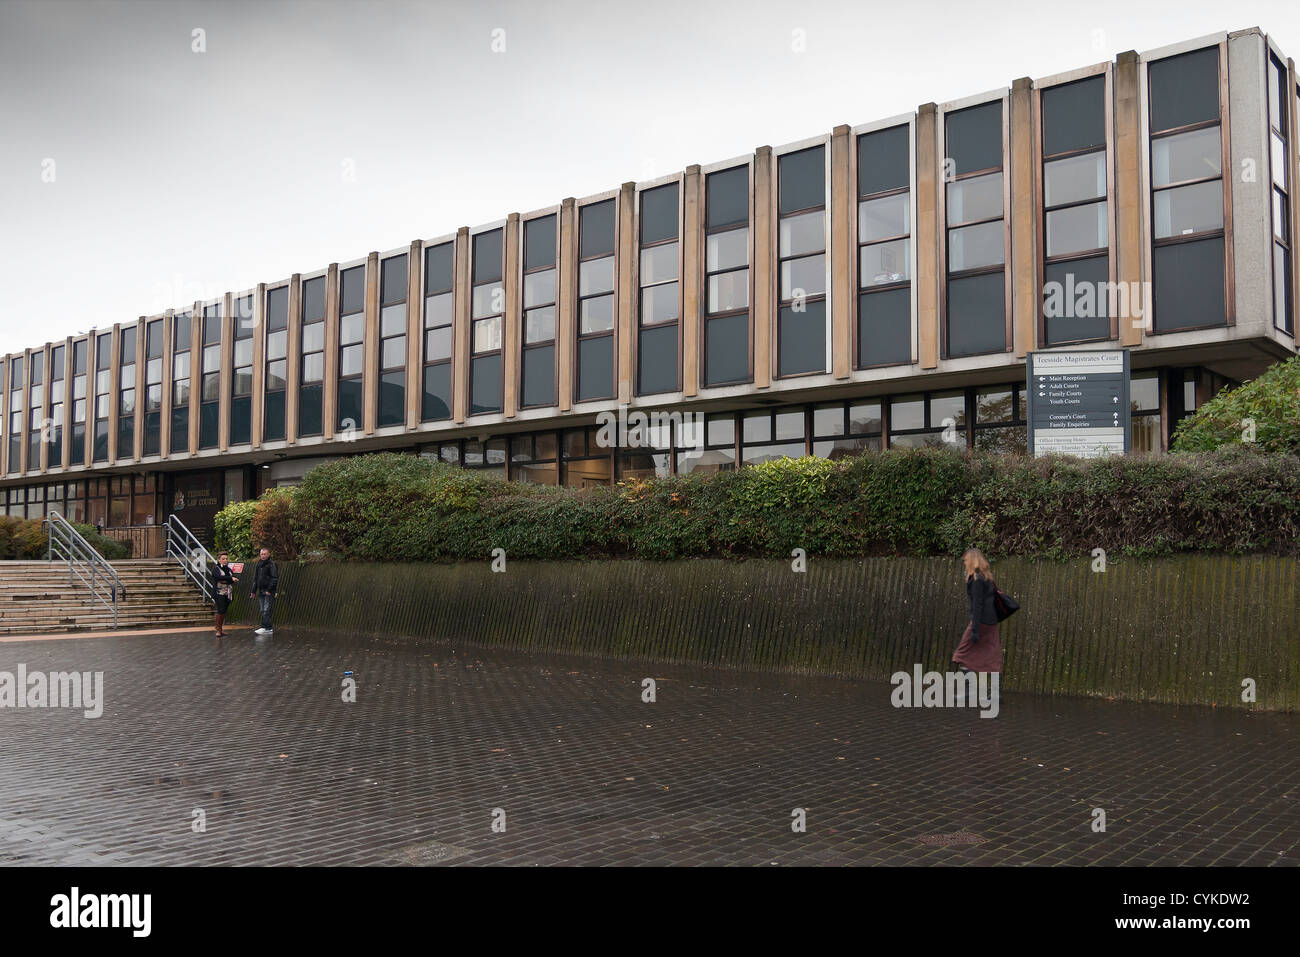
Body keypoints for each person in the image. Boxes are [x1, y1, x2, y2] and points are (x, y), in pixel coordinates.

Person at [952, 547, 1002, 674]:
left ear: (972, 561)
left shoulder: (976, 580)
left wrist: (974, 629)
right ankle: (997, 693)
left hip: (981, 621)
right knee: (993, 656)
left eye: (966, 560)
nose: (964, 563)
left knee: (963, 654)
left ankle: (968, 692)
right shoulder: (987, 578)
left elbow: (977, 605)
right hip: (992, 621)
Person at [251, 547, 278, 636]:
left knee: (267, 609)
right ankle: (268, 628)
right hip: (260, 590)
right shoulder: (259, 563)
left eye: (264, 554)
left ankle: (265, 627)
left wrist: (269, 590)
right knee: (263, 610)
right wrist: (253, 591)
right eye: (261, 554)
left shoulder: (272, 564)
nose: (263, 556)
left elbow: (274, 578)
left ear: (268, 554)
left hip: (268, 591)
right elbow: (256, 578)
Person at [211, 551, 237, 637]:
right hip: (219, 592)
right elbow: (218, 577)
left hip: (228, 592)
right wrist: (229, 578)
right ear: (219, 560)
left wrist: (227, 579)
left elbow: (231, 579)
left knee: (224, 610)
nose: (225, 560)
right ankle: (218, 629)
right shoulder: (215, 568)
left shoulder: (228, 569)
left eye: (226, 558)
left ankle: (221, 629)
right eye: (223, 559)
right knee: (220, 609)